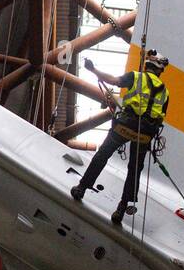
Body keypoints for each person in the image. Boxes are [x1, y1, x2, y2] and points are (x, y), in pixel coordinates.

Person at [70, 50, 170, 225]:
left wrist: (93, 70)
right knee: (135, 169)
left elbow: (114, 81)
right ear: (160, 70)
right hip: (145, 134)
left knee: (103, 154)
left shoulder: (136, 77)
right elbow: (160, 116)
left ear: (147, 65)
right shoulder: (165, 92)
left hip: (126, 126)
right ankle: (122, 208)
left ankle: (82, 188)